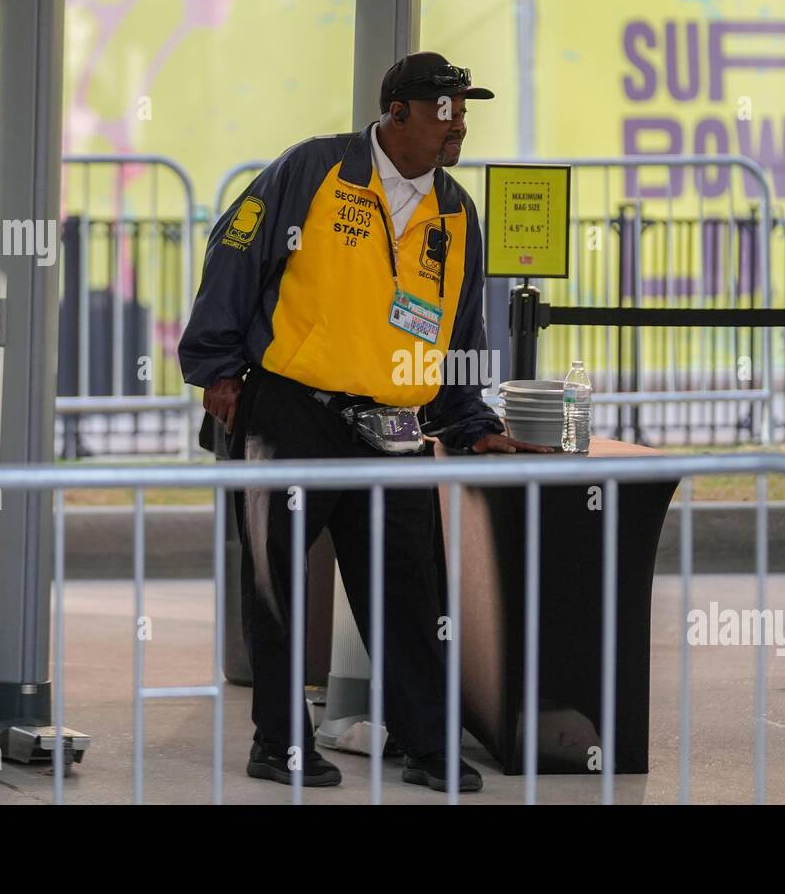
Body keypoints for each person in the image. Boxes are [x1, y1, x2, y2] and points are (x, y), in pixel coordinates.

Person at [179, 52, 552, 792]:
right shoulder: (314, 170)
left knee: (411, 590)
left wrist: (468, 419)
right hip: (289, 410)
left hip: (394, 424)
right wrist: (218, 368)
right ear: (397, 113)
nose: (459, 125)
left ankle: (428, 745)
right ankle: (281, 744)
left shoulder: (456, 211)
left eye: (464, 111)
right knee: (275, 585)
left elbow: (457, 329)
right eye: (445, 110)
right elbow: (235, 250)